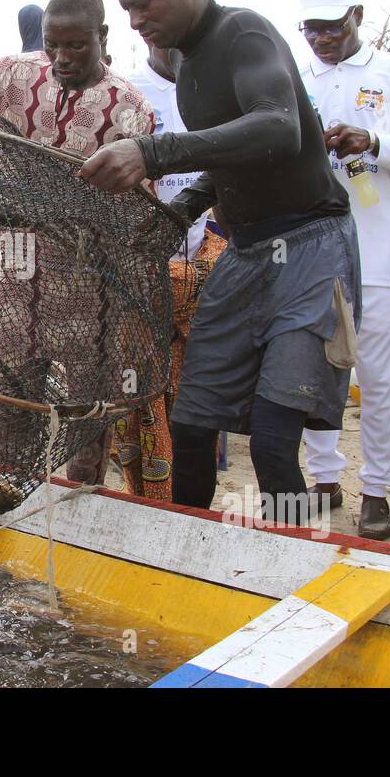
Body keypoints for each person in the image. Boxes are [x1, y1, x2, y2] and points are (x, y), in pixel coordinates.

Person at [79, 0, 357, 525]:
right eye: (126, 8)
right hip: (246, 250)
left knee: (273, 440)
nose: (134, 20)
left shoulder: (245, 34)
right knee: (193, 422)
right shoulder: (186, 61)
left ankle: (291, 563)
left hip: (309, 246)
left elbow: (279, 127)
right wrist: (186, 206)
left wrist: (153, 153)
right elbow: (233, 157)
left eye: (144, 2)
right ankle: (189, 559)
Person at [0, 0, 155, 485]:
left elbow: (139, 211)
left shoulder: (128, 110)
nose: (62, 56)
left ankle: (84, 493)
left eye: (77, 45)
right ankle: (10, 484)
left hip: (87, 278)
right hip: (17, 265)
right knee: (9, 383)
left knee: (86, 404)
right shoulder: (12, 74)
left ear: (103, 36)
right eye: (54, 44)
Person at [295, 0, 390, 539]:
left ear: (356, 14)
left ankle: (376, 491)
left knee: (378, 377)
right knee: (313, 372)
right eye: (312, 27)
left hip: (374, 253)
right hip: (309, 250)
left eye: (333, 24)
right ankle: (324, 480)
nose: (323, 37)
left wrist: (371, 141)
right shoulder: (297, 75)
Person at [118, 44, 226, 499]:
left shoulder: (219, 93)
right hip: (141, 271)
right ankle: (147, 503)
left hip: (204, 269)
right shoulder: (130, 95)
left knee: (196, 410)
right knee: (140, 404)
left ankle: (190, 514)